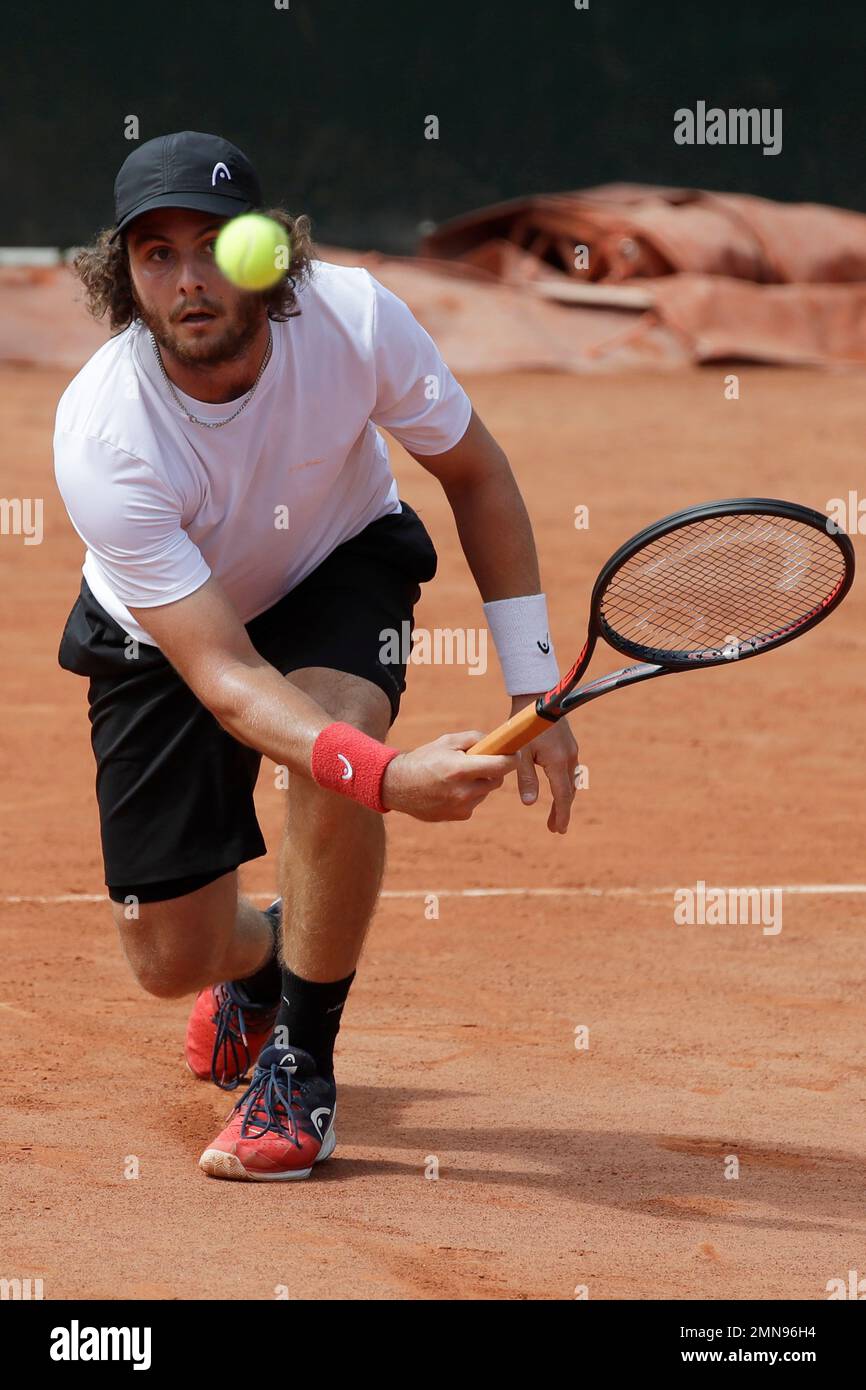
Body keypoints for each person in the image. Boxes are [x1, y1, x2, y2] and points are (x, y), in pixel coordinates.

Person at [54, 130, 577, 1182]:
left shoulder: (353, 317)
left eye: (212, 245)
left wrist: (536, 680)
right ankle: (266, 952)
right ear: (125, 279)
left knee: (331, 739)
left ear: (271, 253)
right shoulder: (105, 434)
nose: (189, 278)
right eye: (156, 255)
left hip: (338, 558)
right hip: (173, 633)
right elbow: (226, 677)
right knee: (172, 961)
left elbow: (474, 472)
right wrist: (391, 783)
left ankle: (300, 1061)